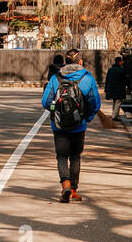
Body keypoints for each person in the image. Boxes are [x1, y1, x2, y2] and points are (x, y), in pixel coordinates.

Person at [41, 48, 100, 203]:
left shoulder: (56, 78)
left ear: (66, 62)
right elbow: (95, 103)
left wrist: (55, 112)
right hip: (79, 125)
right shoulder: (87, 78)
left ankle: (65, 184)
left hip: (59, 126)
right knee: (75, 157)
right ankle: (73, 190)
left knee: (61, 156)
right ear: (80, 61)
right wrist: (86, 117)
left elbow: (46, 101)